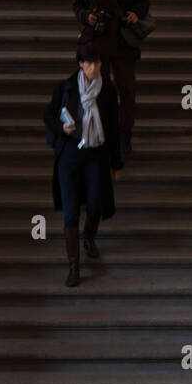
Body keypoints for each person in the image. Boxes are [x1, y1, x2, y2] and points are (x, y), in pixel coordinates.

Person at [43, 43, 123, 287]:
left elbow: (114, 128)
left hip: (96, 154)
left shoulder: (107, 90)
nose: (94, 68)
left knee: (96, 204)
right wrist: (62, 128)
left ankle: (89, 237)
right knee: (71, 211)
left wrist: (116, 163)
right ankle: (73, 265)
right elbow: (48, 115)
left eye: (97, 63)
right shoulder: (66, 87)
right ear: (80, 64)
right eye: (89, 63)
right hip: (70, 154)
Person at [72, 0, 149, 158]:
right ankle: (102, 134)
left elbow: (144, 1)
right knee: (100, 91)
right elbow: (76, 6)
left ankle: (124, 136)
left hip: (123, 42)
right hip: (97, 43)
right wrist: (87, 17)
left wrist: (135, 13)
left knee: (127, 89)